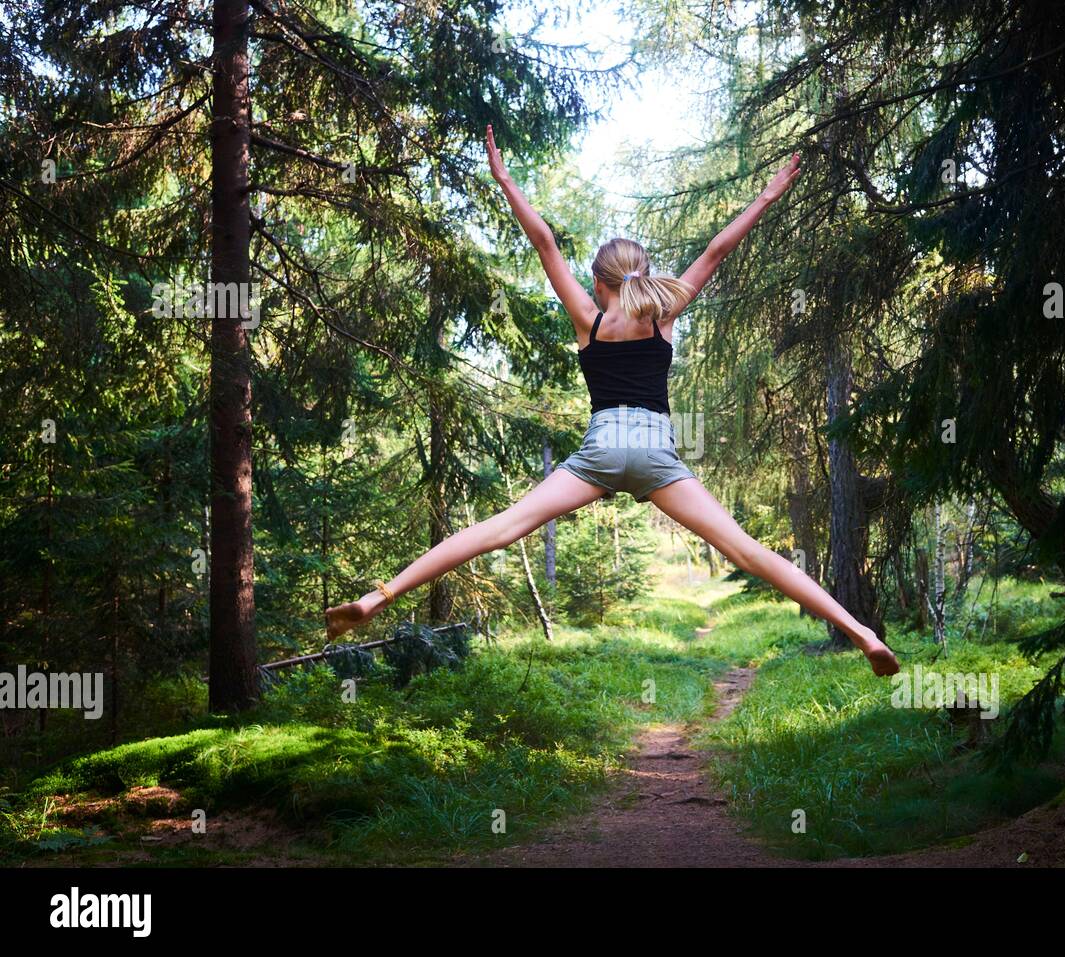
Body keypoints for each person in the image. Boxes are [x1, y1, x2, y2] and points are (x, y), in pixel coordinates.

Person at [325, 126, 900, 677]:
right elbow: (719, 250)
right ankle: (862, 633)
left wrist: (505, 181)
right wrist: (768, 194)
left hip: (600, 454)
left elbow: (544, 240)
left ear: (599, 283)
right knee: (746, 550)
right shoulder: (664, 313)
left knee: (501, 528)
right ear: (641, 276)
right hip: (654, 457)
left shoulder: (589, 320)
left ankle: (381, 595)